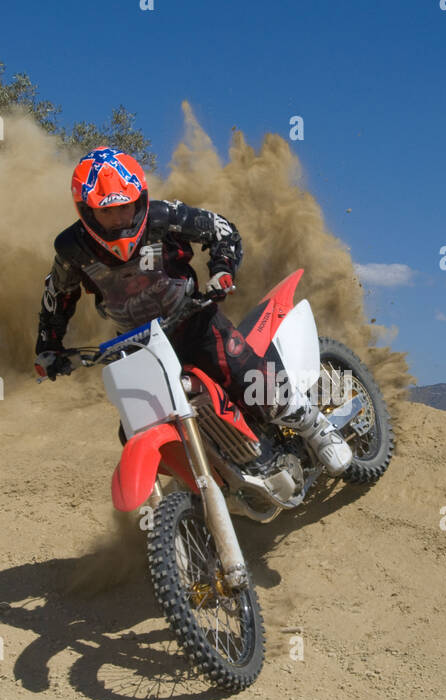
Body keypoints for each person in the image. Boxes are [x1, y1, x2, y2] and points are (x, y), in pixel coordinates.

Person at [33, 147, 352, 474]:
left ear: (139, 200)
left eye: (125, 207)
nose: (119, 219)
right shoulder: (72, 250)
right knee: (132, 429)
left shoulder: (163, 217)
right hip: (139, 346)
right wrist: (48, 348)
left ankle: (317, 428)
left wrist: (222, 270)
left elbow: (222, 230)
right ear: (86, 211)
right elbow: (57, 297)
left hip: (194, 321)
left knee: (251, 381)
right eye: (106, 211)